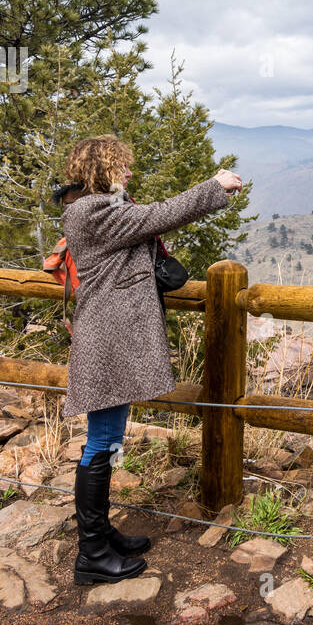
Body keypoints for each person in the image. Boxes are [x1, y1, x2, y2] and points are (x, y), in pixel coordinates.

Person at [54, 134, 241, 584]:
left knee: (109, 438)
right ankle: (92, 554)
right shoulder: (90, 211)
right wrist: (215, 185)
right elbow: (162, 214)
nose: (129, 172)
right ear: (102, 169)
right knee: (101, 443)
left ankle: (101, 535)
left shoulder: (103, 208)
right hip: (106, 343)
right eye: (121, 165)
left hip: (112, 339)